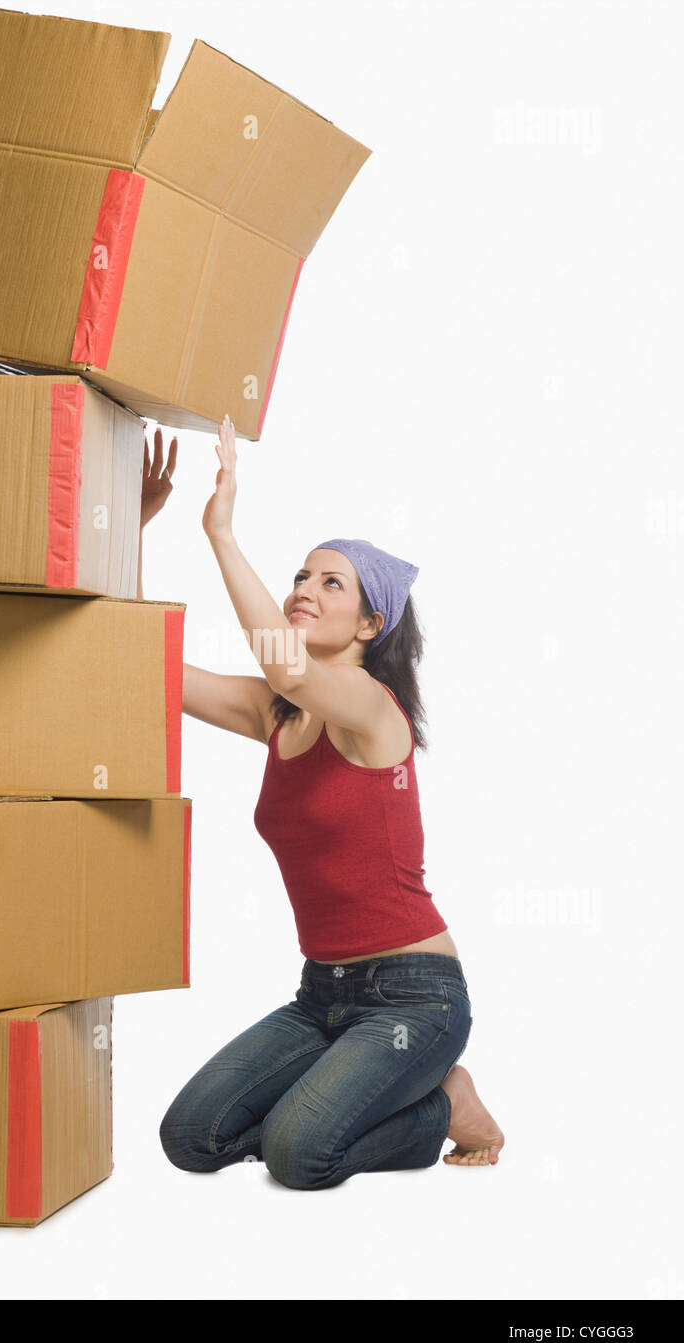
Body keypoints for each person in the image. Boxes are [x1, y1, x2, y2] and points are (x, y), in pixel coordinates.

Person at [138, 418, 504, 1189]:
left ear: (372, 625)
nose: (302, 590)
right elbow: (147, 667)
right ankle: (345, 1101)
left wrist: (222, 534)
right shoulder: (278, 712)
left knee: (298, 1156)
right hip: (321, 995)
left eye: (328, 583)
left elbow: (291, 669)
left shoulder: (373, 710)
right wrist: (131, 536)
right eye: (300, 576)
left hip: (414, 998)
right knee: (191, 1137)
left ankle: (446, 1101)